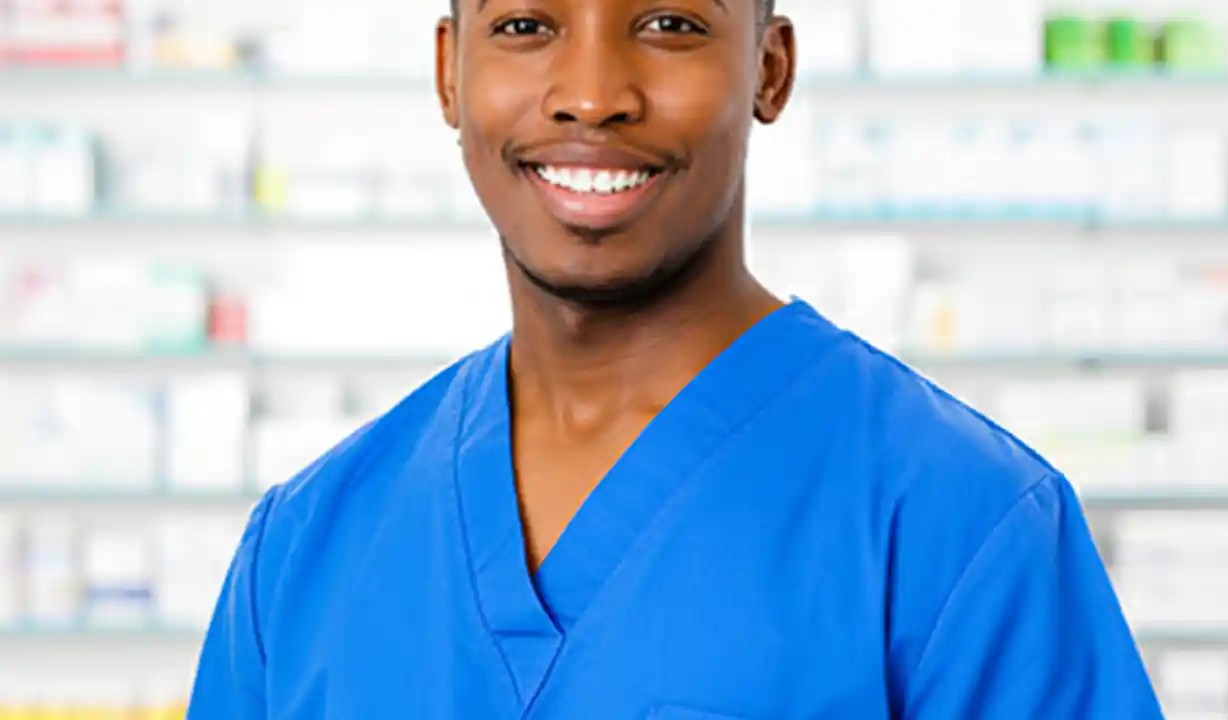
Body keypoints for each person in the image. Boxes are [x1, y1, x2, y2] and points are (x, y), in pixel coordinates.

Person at [189, 0, 1165, 717]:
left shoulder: (960, 521)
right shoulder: (305, 546)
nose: (591, 95)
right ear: (449, 70)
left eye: (667, 24)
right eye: (526, 26)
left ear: (769, 70)